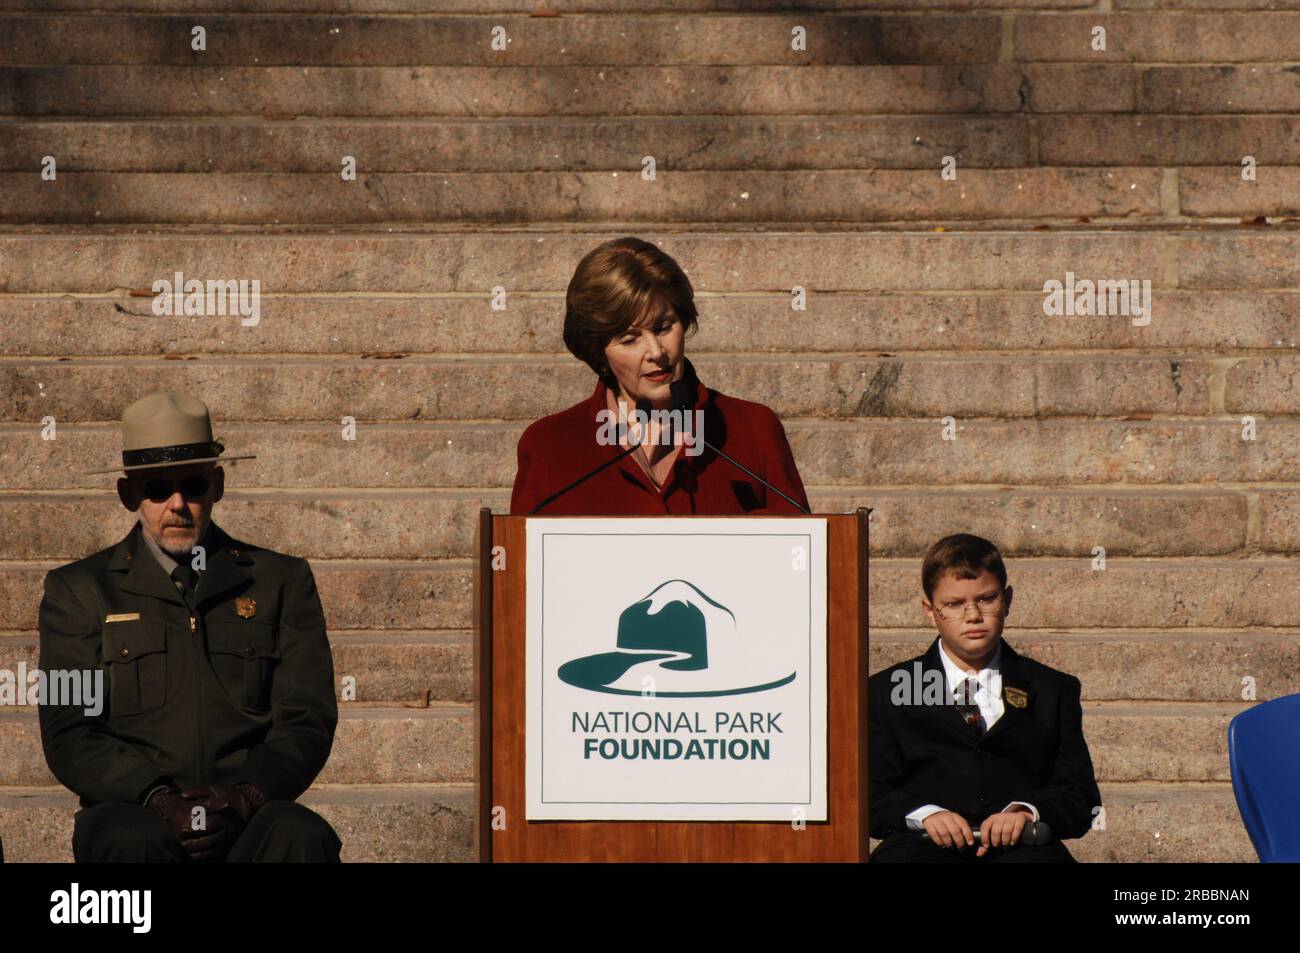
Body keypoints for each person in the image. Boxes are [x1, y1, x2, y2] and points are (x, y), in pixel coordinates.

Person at [38, 390, 342, 862]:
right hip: (134, 812)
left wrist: (246, 795)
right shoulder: (77, 591)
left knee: (299, 834)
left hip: (246, 814)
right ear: (128, 495)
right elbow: (70, 730)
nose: (177, 504)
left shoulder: (281, 581)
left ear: (217, 485)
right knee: (125, 840)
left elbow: (307, 715)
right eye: (158, 488)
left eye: (193, 486)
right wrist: (155, 797)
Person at [511, 236, 810, 516]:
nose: (656, 351)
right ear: (599, 352)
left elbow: (804, 555)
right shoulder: (548, 446)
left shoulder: (754, 430)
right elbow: (521, 564)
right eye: (630, 339)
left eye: (664, 327)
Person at [869, 533, 1102, 863]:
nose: (973, 615)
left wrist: (1027, 811)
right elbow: (870, 793)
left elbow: (1080, 797)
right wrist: (924, 814)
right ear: (929, 610)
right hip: (920, 846)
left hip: (1022, 848)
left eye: (986, 599)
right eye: (954, 604)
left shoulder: (1052, 689)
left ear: (1007, 600)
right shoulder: (887, 690)